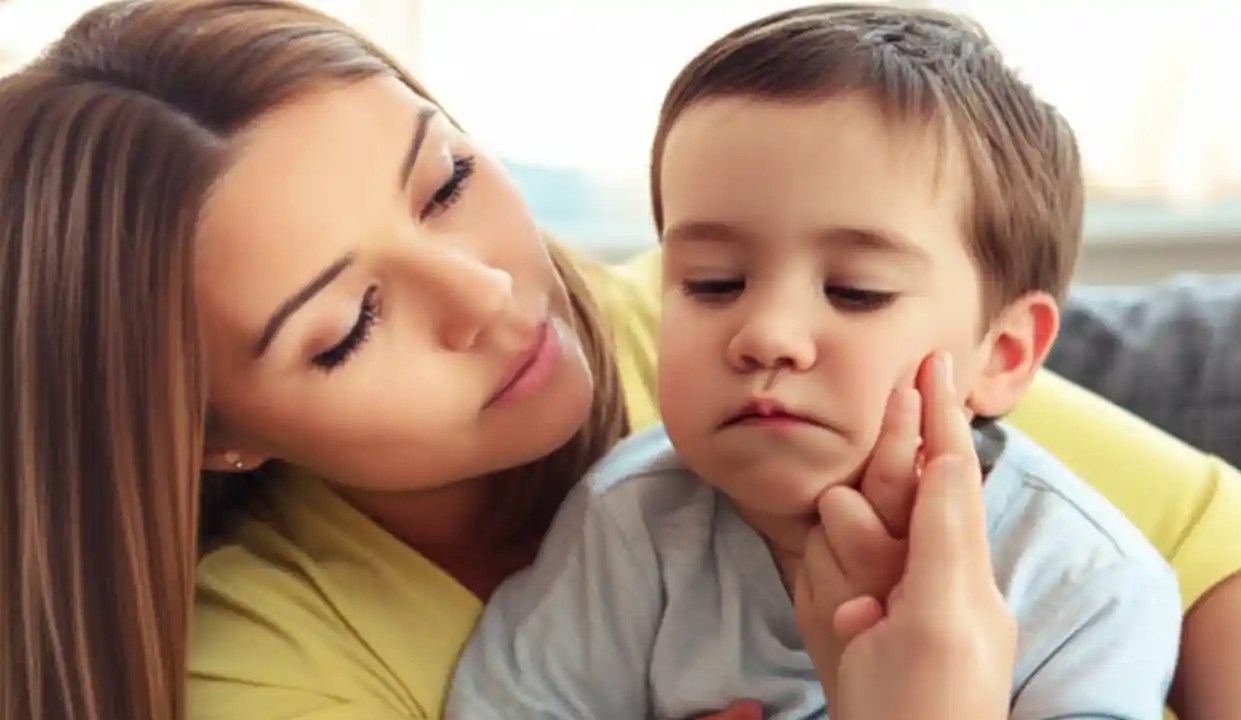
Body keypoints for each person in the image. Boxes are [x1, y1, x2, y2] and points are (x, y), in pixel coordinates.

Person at [0, 2, 1241, 720]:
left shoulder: (699, 327)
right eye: (350, 326)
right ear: (209, 428)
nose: (495, 296)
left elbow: (1224, 549)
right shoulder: (267, 664)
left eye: (445, 184)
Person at [446, 6, 1180, 718]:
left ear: (1005, 354)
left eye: (855, 292)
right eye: (714, 283)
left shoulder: (1085, 585)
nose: (767, 334)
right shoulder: (631, 525)